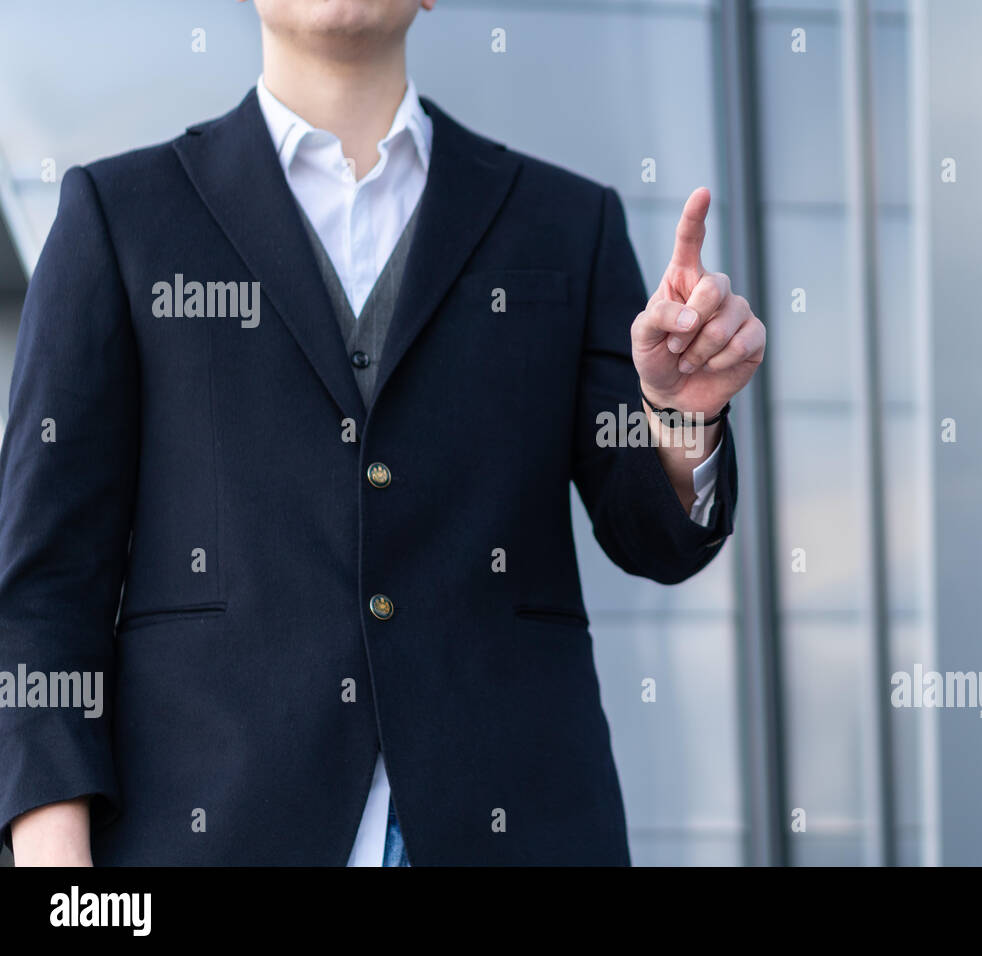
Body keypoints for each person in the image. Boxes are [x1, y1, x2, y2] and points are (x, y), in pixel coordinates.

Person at [0, 0, 765, 866]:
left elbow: (654, 537)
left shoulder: (565, 224)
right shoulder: (119, 216)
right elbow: (43, 585)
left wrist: (677, 416)